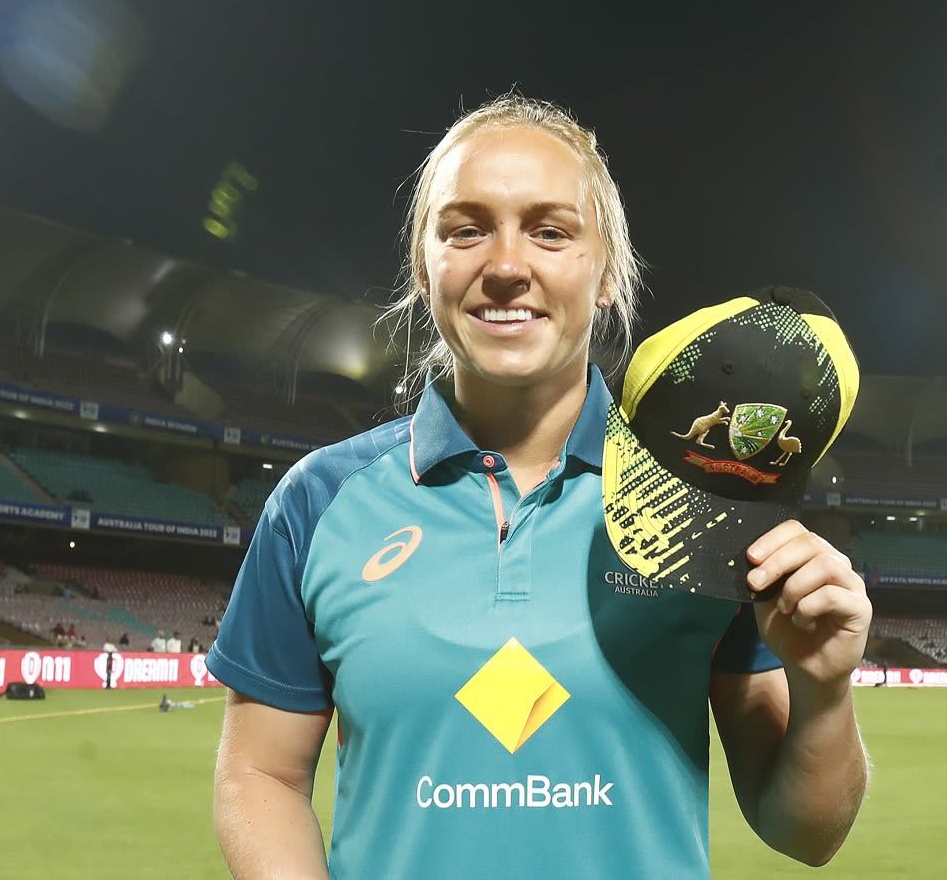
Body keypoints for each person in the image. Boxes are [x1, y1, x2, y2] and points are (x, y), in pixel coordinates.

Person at [207, 94, 872, 878]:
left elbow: (805, 832)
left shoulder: (707, 506)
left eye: (551, 231)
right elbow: (262, 774)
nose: (507, 267)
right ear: (426, 269)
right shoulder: (317, 504)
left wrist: (824, 690)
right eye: (466, 229)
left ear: (606, 276)